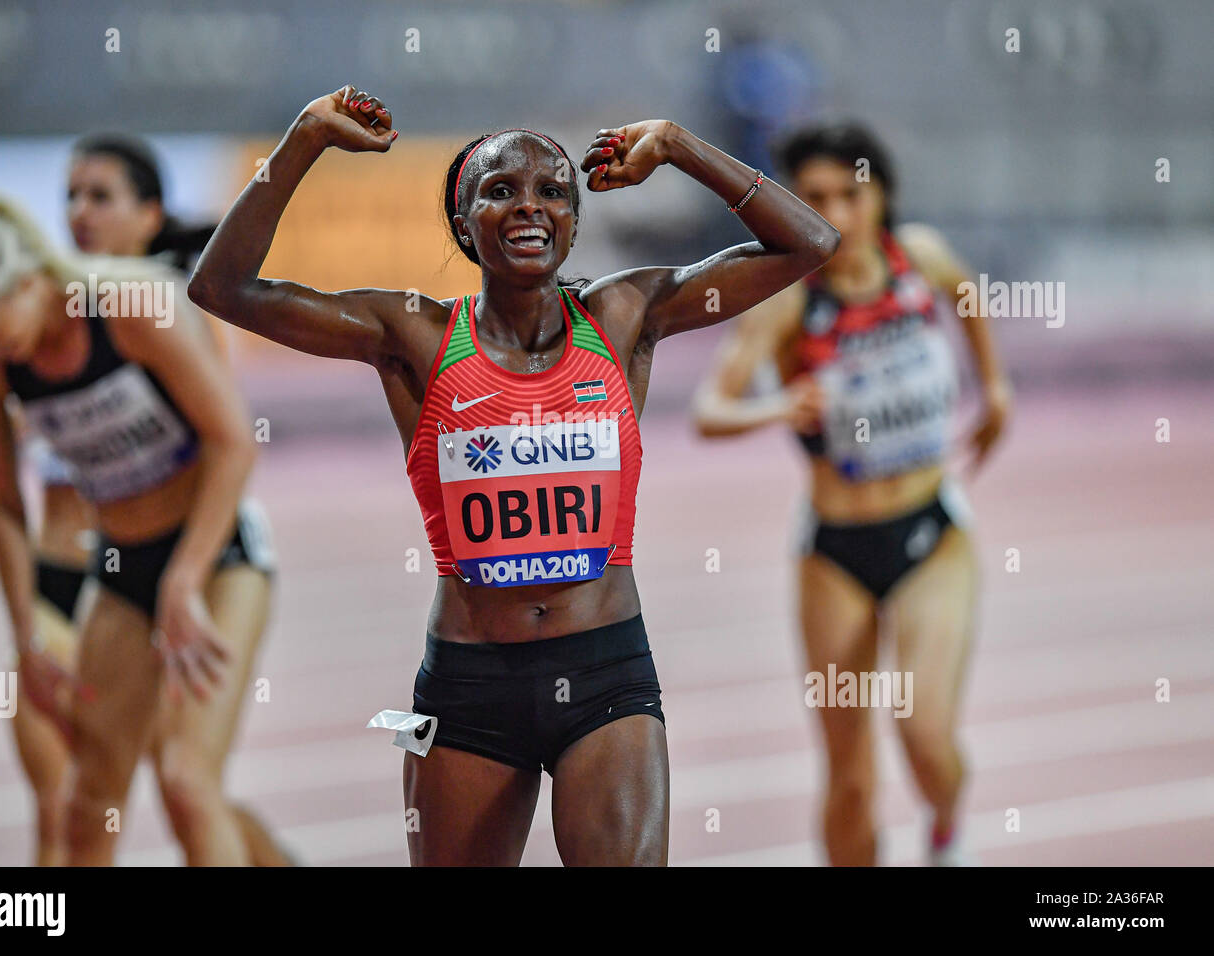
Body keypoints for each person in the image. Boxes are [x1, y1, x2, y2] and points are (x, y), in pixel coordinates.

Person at [188, 83, 839, 865]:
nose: (529, 207)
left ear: (574, 219)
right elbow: (220, 289)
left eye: (551, 192)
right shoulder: (414, 334)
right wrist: (302, 139)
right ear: (464, 225)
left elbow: (808, 245)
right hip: (471, 688)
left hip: (605, 674)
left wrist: (676, 144)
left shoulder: (626, 314)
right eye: (500, 192)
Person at [0, 192, 280, 866]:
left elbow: (234, 443)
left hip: (218, 557)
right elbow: (2, 501)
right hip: (119, 568)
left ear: (29, 281)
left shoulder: (131, 309)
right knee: (86, 805)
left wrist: (185, 577)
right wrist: (26, 631)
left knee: (186, 785)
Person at [692, 123, 1011, 865]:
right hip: (833, 552)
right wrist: (778, 405)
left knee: (926, 735)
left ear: (883, 196)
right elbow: (711, 410)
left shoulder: (919, 258)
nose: (836, 212)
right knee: (850, 781)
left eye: (851, 193)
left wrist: (995, 390)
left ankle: (944, 827)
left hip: (932, 534)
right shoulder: (788, 303)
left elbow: (968, 295)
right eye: (814, 199)